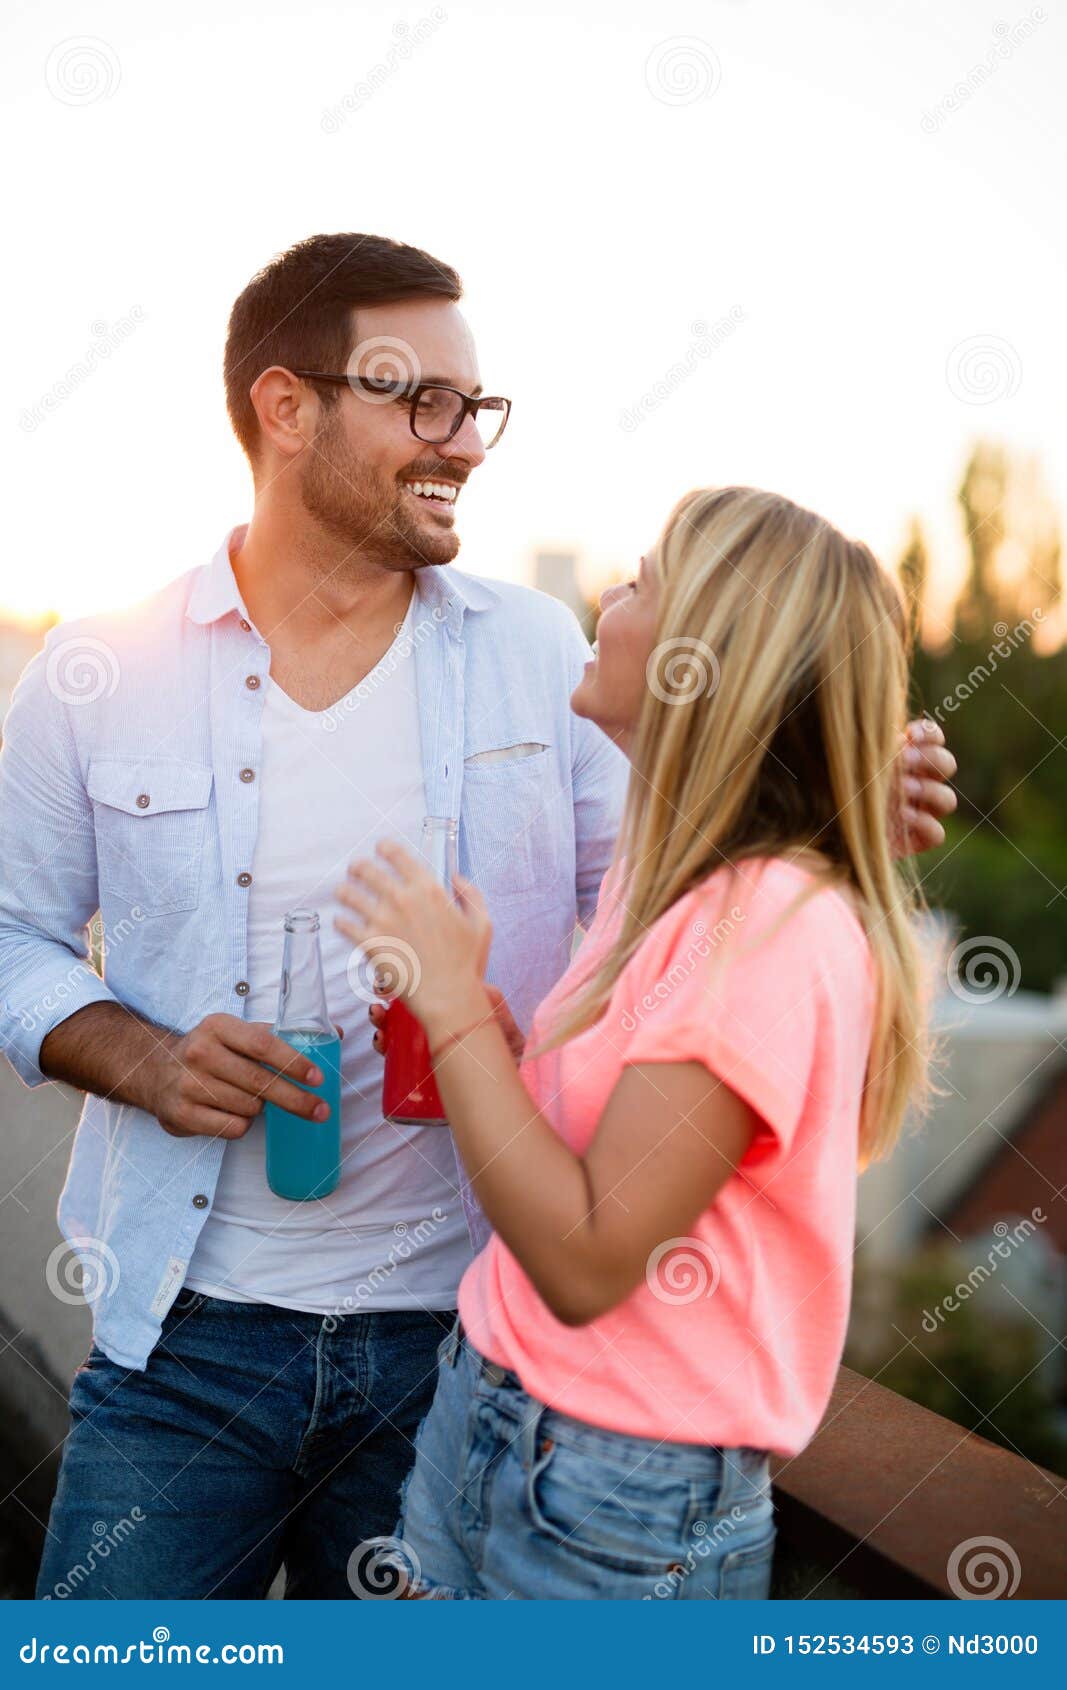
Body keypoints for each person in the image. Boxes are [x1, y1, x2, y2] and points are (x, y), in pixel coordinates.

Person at [0, 231, 953, 1601]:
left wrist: (843, 786)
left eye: (475, 404)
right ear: (284, 407)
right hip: (184, 1339)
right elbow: (13, 936)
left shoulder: (540, 658)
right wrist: (138, 1055)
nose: (465, 441)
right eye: (419, 402)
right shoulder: (98, 670)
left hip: (451, 1356)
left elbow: (684, 890)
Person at [339, 485, 934, 1600]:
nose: (610, 597)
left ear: (705, 664)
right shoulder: (665, 883)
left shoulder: (766, 921)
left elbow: (587, 1256)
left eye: (642, 581)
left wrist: (456, 1003)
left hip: (615, 1497)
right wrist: (488, 1035)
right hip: (492, 1415)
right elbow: (593, 1156)